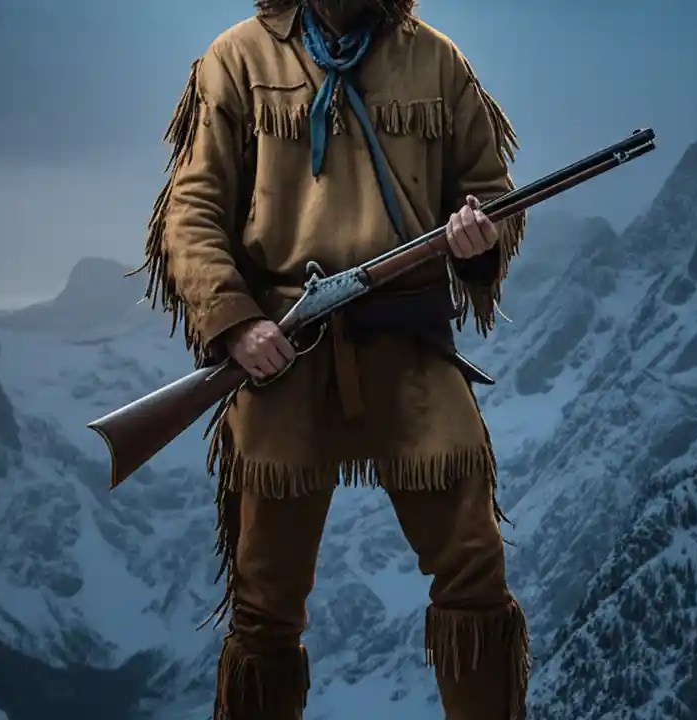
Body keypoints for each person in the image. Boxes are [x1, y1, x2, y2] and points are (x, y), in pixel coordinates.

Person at [134, 0, 529, 717]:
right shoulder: (236, 59)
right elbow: (191, 214)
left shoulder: (437, 59)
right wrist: (236, 324)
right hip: (281, 352)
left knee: (475, 573)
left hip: (410, 344)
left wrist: (479, 239)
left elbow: (491, 194)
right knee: (264, 608)